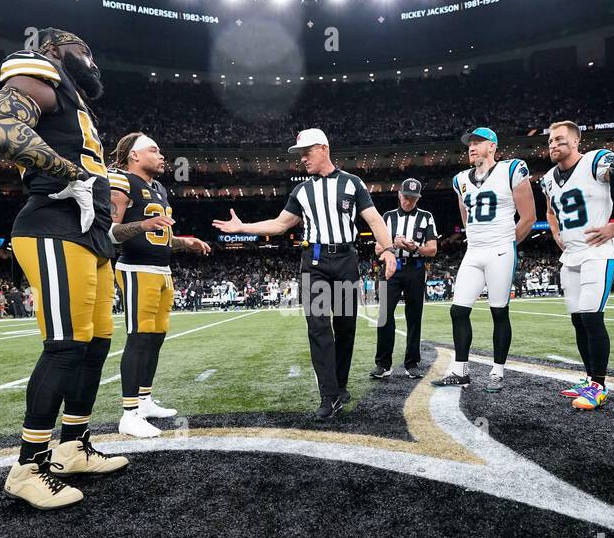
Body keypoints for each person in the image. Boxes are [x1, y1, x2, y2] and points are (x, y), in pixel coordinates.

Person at [0, 27, 131, 510]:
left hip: (89, 233)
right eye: (83, 50)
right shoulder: (38, 70)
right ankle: (28, 466)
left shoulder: (75, 100)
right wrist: (71, 174)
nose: (91, 60)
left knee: (96, 344)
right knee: (65, 346)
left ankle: (73, 445)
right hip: (52, 224)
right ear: (52, 48)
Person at [212, 128, 397, 419]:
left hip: (347, 258)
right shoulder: (301, 190)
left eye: (306, 152)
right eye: (300, 154)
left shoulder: (352, 183)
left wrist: (387, 250)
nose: (302, 159)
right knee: (318, 327)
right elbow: (279, 225)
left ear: (323, 148)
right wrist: (243, 227)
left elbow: (373, 219)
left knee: (346, 325)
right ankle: (328, 394)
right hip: (314, 261)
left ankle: (340, 385)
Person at [108, 132, 212, 439]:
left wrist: (185, 242)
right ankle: (128, 414)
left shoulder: (159, 189)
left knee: (154, 339)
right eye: (155, 150)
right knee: (138, 339)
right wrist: (142, 224)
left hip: (162, 271)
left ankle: (144, 400)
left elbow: (161, 235)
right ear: (135, 156)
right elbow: (110, 232)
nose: (162, 156)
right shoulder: (122, 182)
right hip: (136, 269)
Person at [432, 127, 536, 393]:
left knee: (498, 311)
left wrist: (507, 244)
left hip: (500, 249)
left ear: (493, 147)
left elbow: (529, 217)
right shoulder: (460, 180)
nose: (472, 147)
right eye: (470, 143)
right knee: (458, 310)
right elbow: (465, 217)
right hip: (474, 250)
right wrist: (477, 239)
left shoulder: (511, 170)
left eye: (478, 142)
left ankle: (497, 371)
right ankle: (460, 371)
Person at [541, 121, 614, 410]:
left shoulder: (596, 161)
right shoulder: (549, 177)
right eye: (551, 140)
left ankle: (599, 386)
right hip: (572, 253)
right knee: (578, 319)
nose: (553, 145)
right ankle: (590, 379)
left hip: (597, 251)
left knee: (591, 317)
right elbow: (550, 211)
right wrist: (555, 233)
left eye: (560, 139)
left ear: (576, 141)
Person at [373, 177, 438, 379]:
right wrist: (393, 245)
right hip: (391, 268)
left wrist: (415, 247)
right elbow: (377, 248)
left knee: (414, 316)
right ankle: (383, 364)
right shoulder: (388, 217)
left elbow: (433, 249)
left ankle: (412, 363)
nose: (408, 201)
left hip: (415, 269)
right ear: (399, 194)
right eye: (405, 197)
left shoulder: (426, 217)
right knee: (384, 314)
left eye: (412, 198)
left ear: (418, 198)